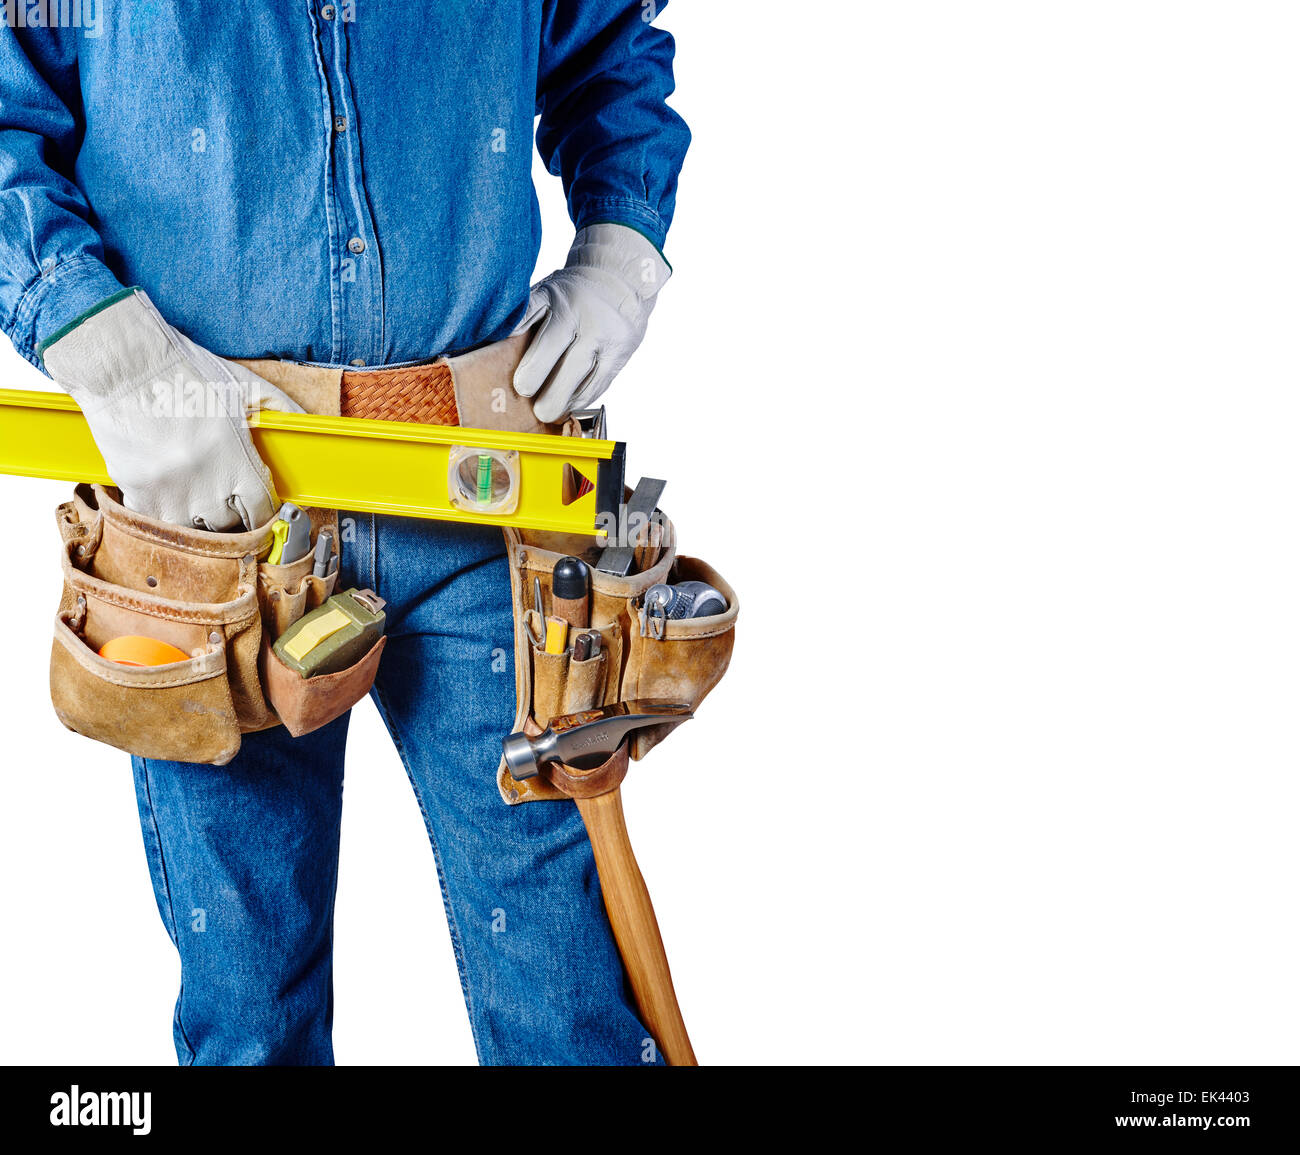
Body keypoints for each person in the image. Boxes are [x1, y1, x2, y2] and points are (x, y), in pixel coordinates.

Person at [0, 2, 689, 1065]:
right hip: (209, 530)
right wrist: (101, 341)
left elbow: (606, 46)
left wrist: (622, 242)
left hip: (484, 510)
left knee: (565, 1004)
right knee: (249, 1007)